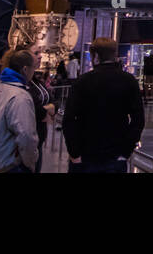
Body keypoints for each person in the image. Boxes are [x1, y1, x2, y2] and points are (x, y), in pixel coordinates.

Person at [63, 37, 146, 173]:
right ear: (114, 54)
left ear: (95, 56)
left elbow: (69, 120)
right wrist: (125, 152)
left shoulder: (82, 82)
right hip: (116, 155)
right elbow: (138, 120)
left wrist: (74, 153)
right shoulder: (129, 81)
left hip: (85, 155)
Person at [0, 49, 39, 173]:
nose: (34, 72)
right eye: (33, 68)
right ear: (25, 69)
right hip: (8, 166)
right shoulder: (20, 97)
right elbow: (26, 137)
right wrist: (31, 162)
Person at [28, 68, 56, 172]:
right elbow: (32, 108)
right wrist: (46, 110)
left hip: (40, 134)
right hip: (28, 137)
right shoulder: (24, 84)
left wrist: (50, 108)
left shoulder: (38, 82)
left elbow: (54, 101)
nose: (39, 58)